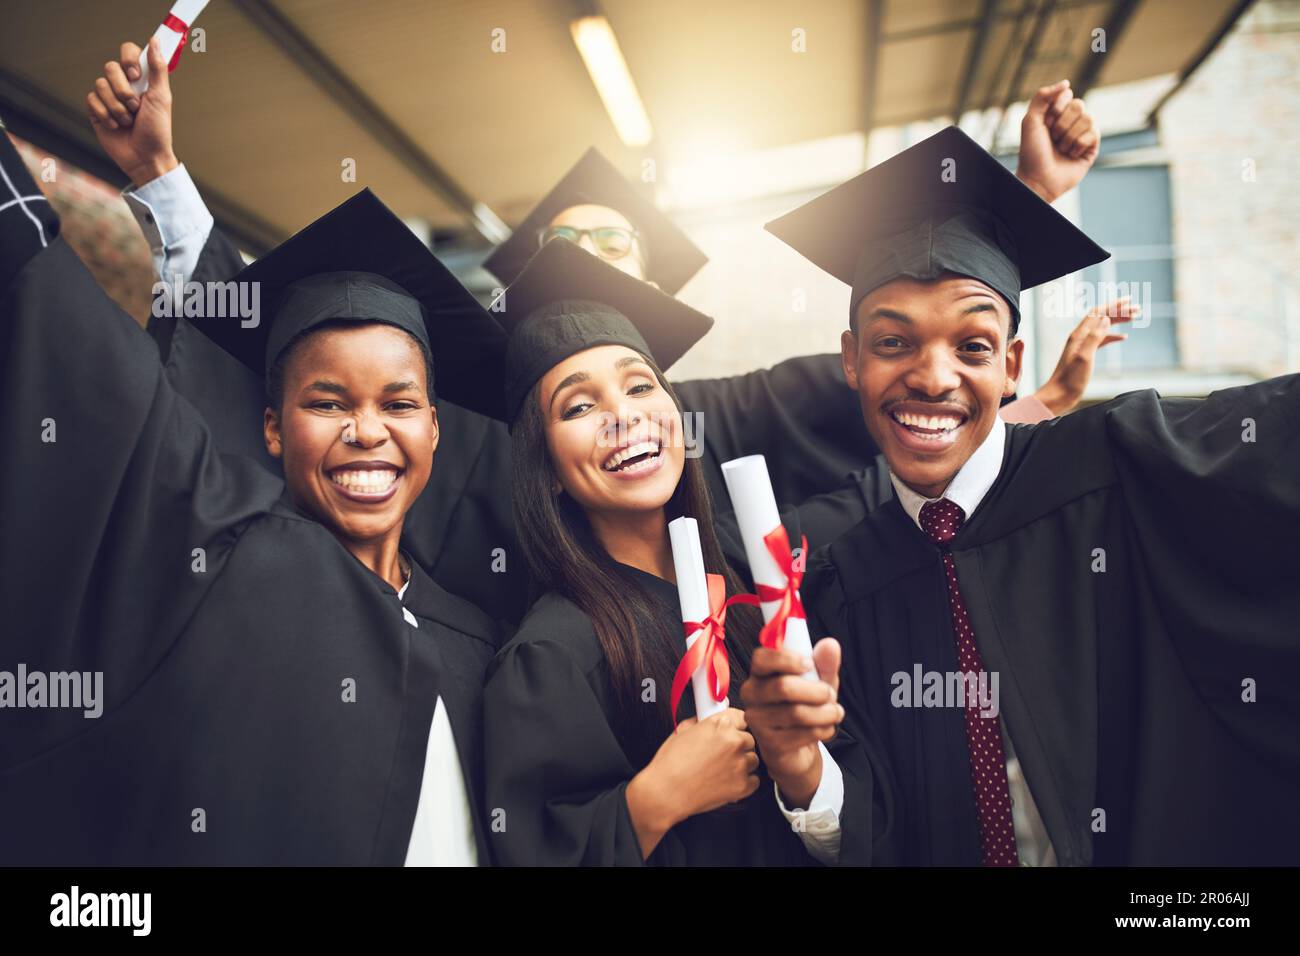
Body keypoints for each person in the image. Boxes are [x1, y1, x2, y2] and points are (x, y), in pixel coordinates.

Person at [86, 41, 1114, 624]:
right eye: (568, 242)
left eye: (618, 247)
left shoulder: (710, 420)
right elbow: (283, 365)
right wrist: (164, 185)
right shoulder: (436, 403)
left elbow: (906, 386)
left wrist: (1021, 207)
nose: (591, 258)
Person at [765, 124, 1300, 866]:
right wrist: (801, 773)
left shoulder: (1119, 465)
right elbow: (875, 830)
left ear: (1012, 365)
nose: (933, 376)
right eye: (894, 342)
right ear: (851, 360)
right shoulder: (846, 584)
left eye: (972, 346)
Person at [0, 118, 507, 865]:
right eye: (328, 403)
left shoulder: (483, 641)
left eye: (398, 405)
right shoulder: (211, 575)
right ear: (270, 427)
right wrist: (160, 180)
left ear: (435, 428)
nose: (367, 432)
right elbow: (99, 384)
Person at [480, 239, 897, 865]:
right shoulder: (550, 660)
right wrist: (652, 803)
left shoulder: (759, 580)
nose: (624, 416)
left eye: (641, 387)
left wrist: (801, 769)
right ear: (547, 471)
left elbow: (859, 831)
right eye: (580, 405)